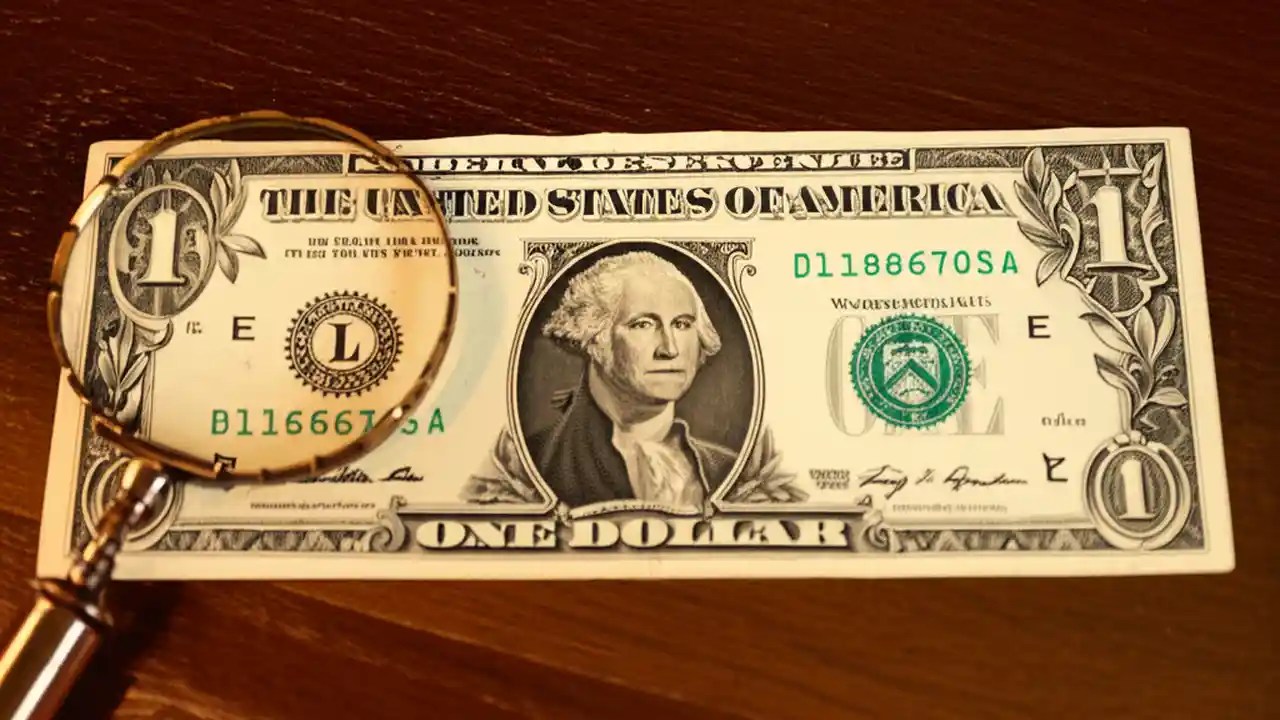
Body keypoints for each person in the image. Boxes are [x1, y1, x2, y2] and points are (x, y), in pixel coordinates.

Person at [526, 250, 737, 508]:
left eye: (682, 324)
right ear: (594, 337)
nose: (670, 349)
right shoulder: (530, 465)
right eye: (643, 324)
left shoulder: (732, 471)